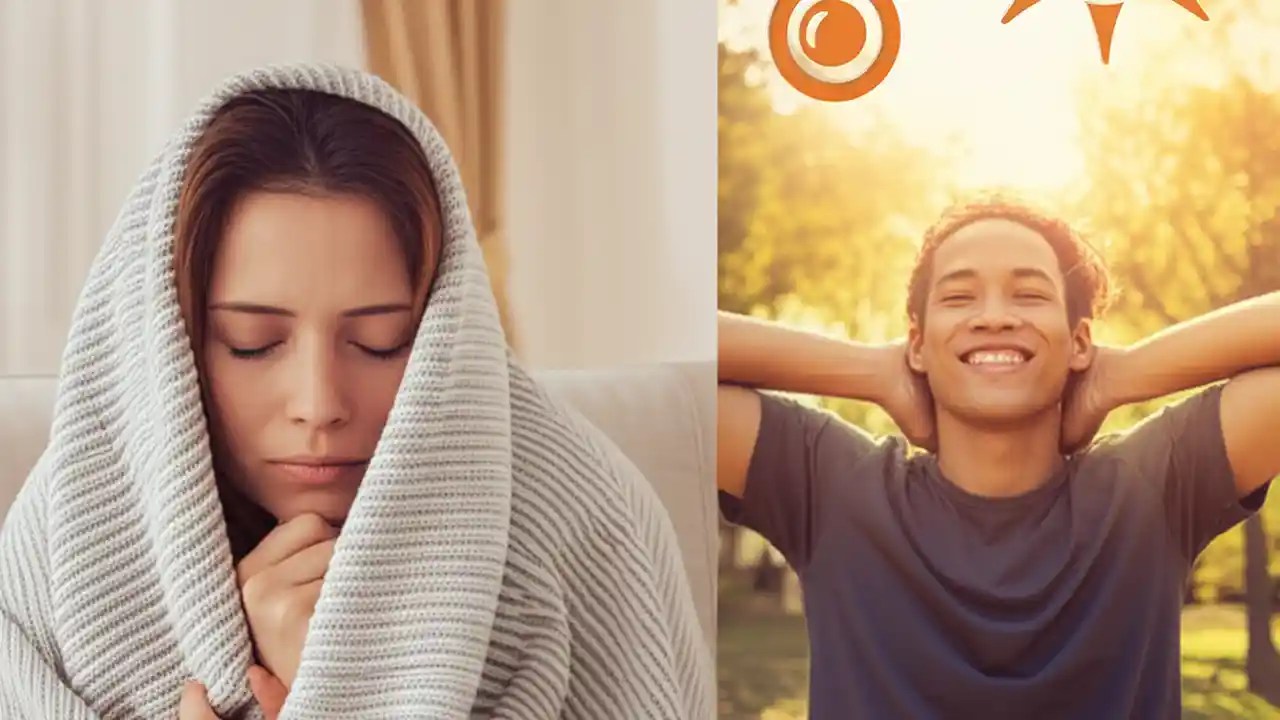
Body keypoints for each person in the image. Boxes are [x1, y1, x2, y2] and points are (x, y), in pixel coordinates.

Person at [0, 65, 712, 720]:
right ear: (174, 341)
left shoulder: (583, 524)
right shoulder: (69, 539)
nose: (319, 403)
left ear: (441, 338)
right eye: (252, 342)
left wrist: (345, 683)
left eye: (381, 342)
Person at [717, 196, 1279, 719]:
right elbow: (651, 349)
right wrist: (871, 371)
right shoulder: (831, 488)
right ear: (917, 342)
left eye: (1029, 295)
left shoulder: (1152, 489)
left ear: (1078, 341)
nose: (993, 317)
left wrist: (1122, 375)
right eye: (959, 297)